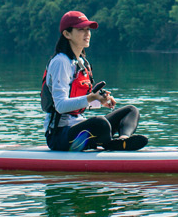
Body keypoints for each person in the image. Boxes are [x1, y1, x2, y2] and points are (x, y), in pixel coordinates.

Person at [42, 10, 147, 151]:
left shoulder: (81, 62)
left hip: (80, 128)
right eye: (81, 30)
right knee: (100, 123)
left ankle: (123, 140)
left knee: (131, 111)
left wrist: (99, 101)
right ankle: (109, 144)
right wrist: (91, 97)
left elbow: (78, 104)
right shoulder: (60, 62)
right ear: (67, 34)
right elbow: (60, 106)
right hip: (59, 136)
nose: (87, 34)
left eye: (88, 30)